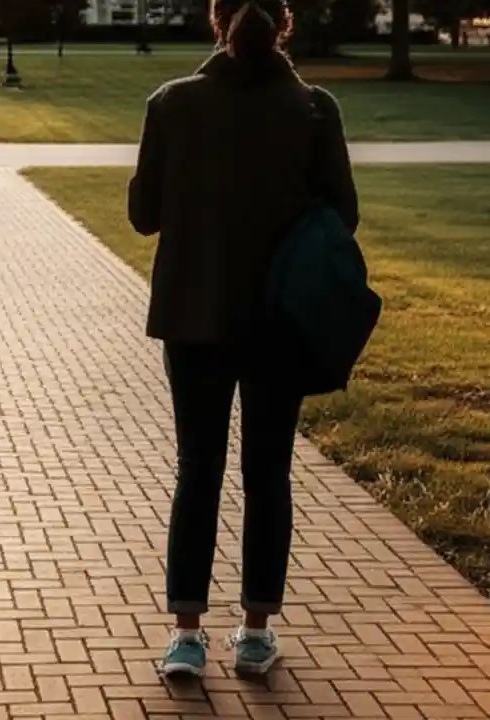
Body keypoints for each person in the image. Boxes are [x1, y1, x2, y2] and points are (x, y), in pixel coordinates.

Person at [127, 0, 358, 678]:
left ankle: (186, 635)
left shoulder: (170, 104)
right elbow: (344, 214)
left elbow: (143, 216)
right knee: (269, 473)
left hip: (194, 316)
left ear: (216, 20)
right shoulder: (314, 109)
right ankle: (255, 632)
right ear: (283, 24)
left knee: (196, 471)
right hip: (278, 320)